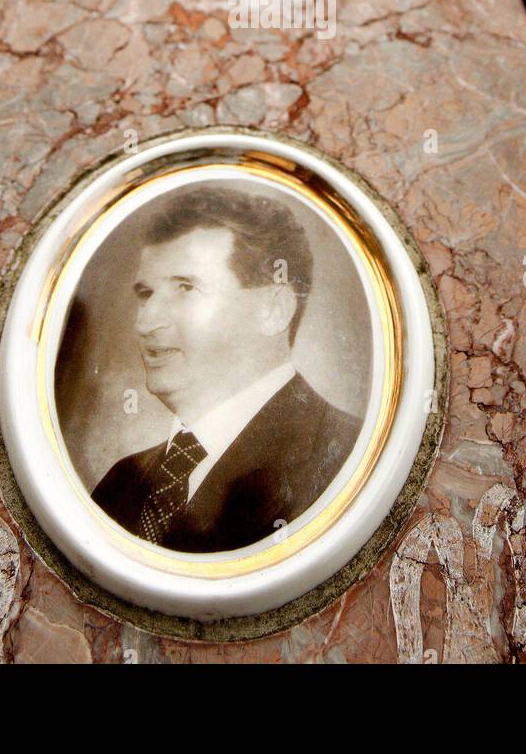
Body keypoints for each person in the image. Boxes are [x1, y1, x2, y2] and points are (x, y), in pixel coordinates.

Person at [91, 184, 362, 552]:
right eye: (146, 294)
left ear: (274, 309)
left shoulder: (346, 460)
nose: (145, 322)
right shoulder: (120, 485)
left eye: (185, 288)